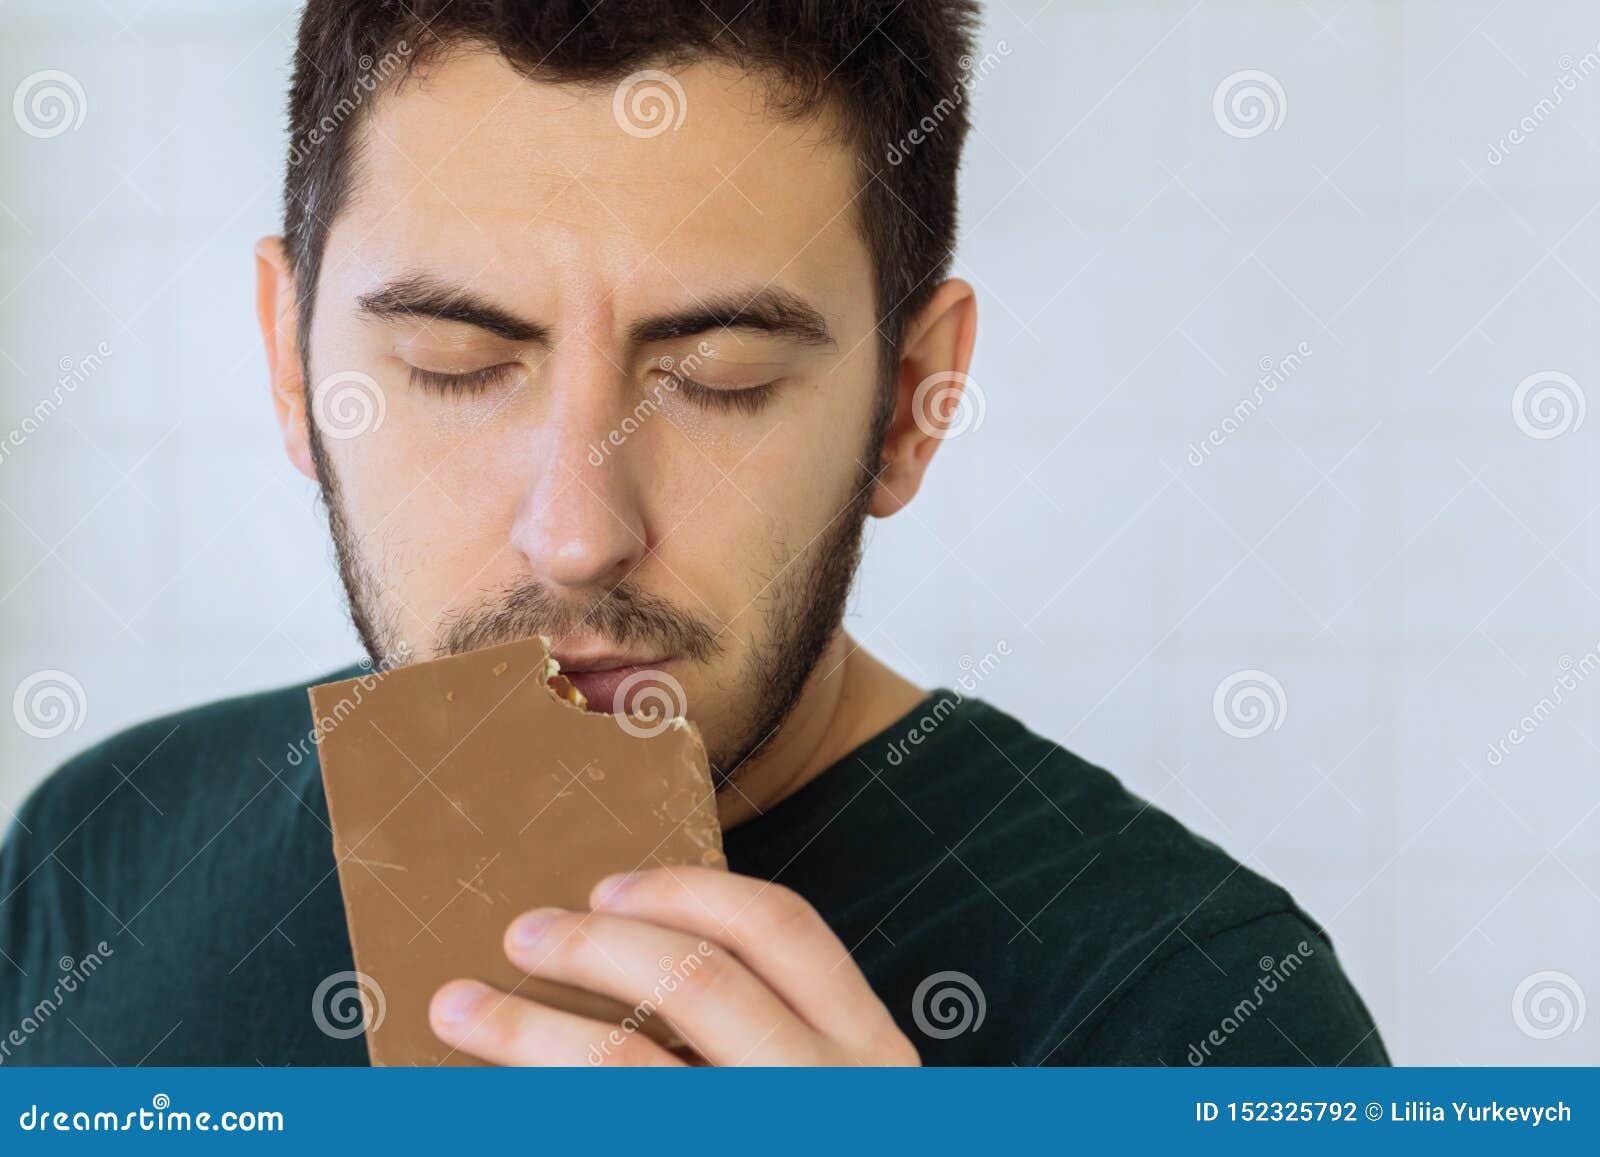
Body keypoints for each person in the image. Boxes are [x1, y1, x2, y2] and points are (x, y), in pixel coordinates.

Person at [0, 0, 1386, 1067]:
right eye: (452, 361)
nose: (576, 532)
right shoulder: (99, 855)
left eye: (718, 378)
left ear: (909, 405)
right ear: (293, 367)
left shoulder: (1207, 1009)